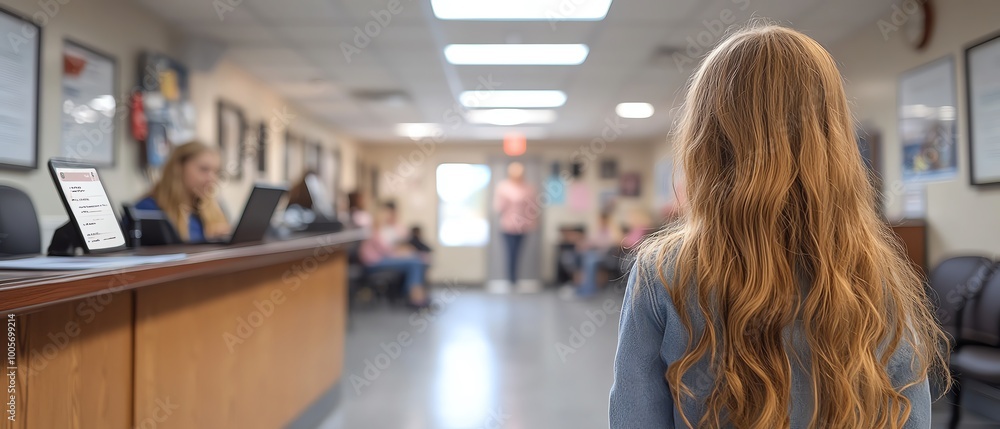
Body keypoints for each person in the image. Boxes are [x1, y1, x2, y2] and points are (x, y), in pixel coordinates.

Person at [610, 24, 949, 429]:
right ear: (831, 137)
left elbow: (635, 418)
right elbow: (912, 417)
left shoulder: (662, 274)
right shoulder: (876, 274)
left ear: (706, 141)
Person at [135, 142, 230, 242]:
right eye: (204, 169)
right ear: (179, 167)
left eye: (216, 172)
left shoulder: (214, 209)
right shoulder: (147, 211)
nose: (212, 179)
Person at [359, 207, 429, 308]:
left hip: (380, 260)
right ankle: (415, 297)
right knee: (415, 262)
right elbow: (387, 251)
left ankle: (415, 295)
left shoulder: (377, 231)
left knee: (415, 261)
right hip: (373, 263)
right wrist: (404, 254)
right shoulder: (374, 232)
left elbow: (389, 249)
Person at [492, 162, 538, 292]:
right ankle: (511, 280)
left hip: (523, 227)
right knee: (510, 253)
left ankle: (515, 280)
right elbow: (498, 207)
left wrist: (533, 222)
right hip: (507, 227)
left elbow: (533, 208)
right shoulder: (503, 187)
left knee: (518, 254)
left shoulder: (529, 188)